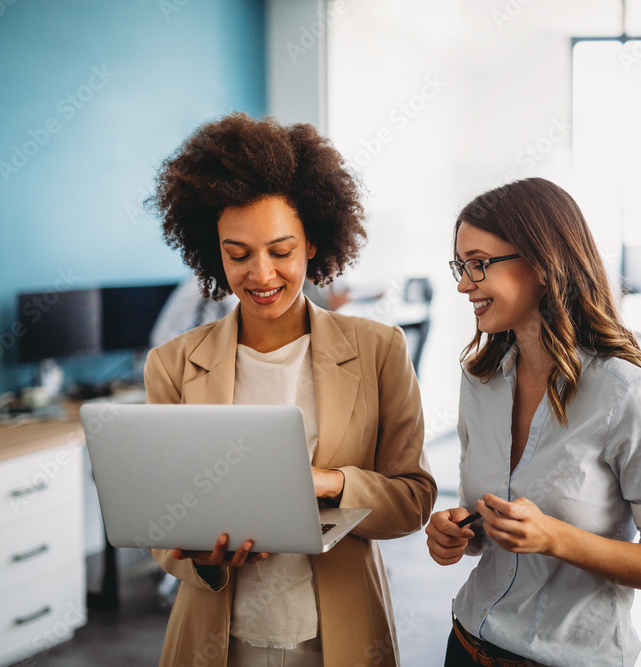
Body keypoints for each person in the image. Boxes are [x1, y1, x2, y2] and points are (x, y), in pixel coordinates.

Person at [143, 112, 437, 667]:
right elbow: (164, 526)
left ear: (313, 245)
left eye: (281, 251)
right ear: (214, 251)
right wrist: (201, 557)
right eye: (238, 254)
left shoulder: (379, 350)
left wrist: (327, 483)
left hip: (341, 636)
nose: (260, 274)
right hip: (217, 638)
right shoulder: (174, 365)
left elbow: (414, 499)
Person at [425, 178, 641, 667]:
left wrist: (554, 537)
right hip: (465, 645)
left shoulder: (628, 396)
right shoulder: (480, 381)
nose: (464, 284)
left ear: (543, 264)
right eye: (461, 267)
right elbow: (485, 521)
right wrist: (458, 532)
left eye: (479, 265)